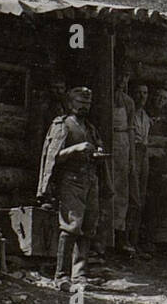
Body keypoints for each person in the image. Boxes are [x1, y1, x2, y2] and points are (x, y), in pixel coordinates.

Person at [38, 87, 106, 291]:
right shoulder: (62, 125)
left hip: (89, 179)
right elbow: (54, 157)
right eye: (80, 102)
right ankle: (61, 276)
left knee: (87, 227)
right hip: (71, 180)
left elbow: (96, 146)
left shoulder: (90, 128)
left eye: (87, 103)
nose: (84, 106)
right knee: (70, 226)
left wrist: (98, 151)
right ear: (70, 103)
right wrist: (75, 149)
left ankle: (80, 275)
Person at [110, 73, 137, 257]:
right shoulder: (104, 97)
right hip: (106, 139)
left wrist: (131, 158)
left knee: (121, 191)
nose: (121, 81)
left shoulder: (128, 102)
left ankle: (120, 236)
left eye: (125, 78)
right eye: (118, 76)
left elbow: (131, 131)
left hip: (122, 143)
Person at [129, 83, 152, 250]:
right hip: (133, 152)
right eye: (139, 93)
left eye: (145, 93)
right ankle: (127, 239)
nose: (142, 96)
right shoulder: (131, 114)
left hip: (144, 152)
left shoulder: (145, 116)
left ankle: (135, 240)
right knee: (133, 196)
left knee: (141, 197)